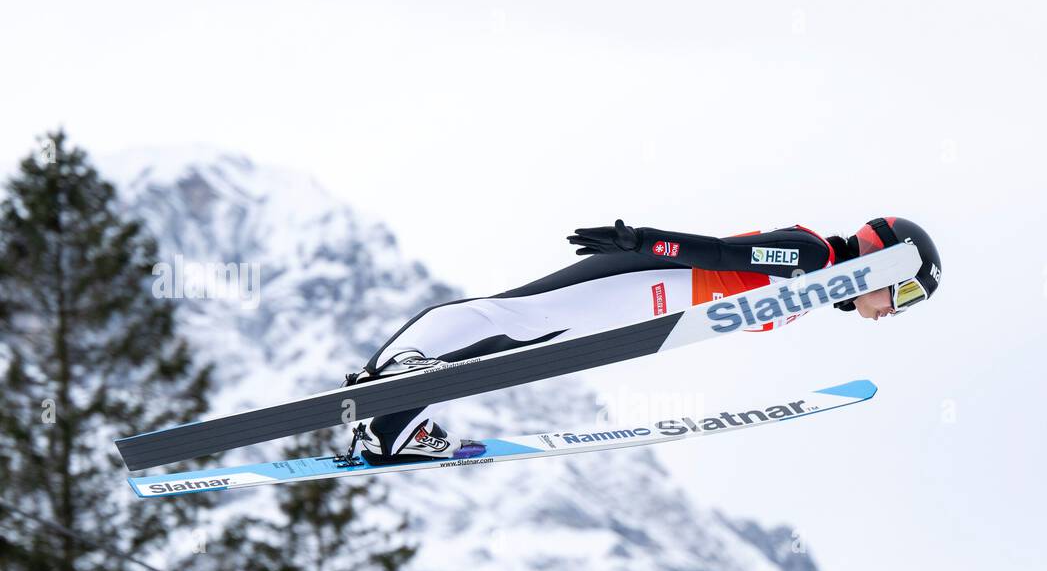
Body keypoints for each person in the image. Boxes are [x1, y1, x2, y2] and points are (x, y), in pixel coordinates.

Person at [346, 216, 942, 464]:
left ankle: (391, 420)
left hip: (649, 302)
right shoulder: (815, 257)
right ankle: (400, 373)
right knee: (523, 320)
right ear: (885, 264)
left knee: (526, 338)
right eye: (906, 294)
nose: (896, 311)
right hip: (649, 282)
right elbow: (725, 254)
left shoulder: (814, 286)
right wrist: (645, 242)